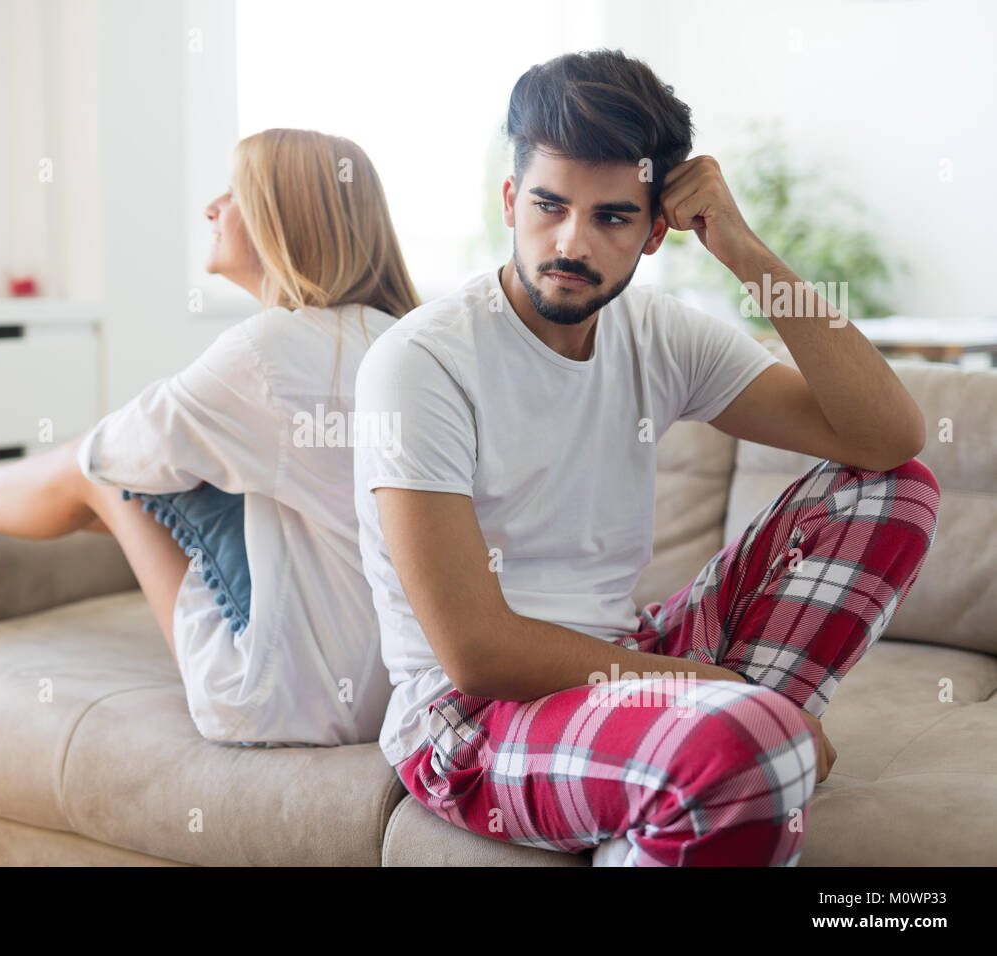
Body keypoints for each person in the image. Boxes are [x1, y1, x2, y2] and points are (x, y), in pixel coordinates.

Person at [352, 49, 941, 865]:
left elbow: (888, 439)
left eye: (611, 217)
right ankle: (736, 755)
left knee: (895, 494)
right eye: (548, 206)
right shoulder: (422, 362)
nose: (571, 241)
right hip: (470, 721)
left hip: (627, 655)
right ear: (509, 200)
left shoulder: (659, 335)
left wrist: (744, 250)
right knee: (754, 738)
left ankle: (720, 764)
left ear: (657, 230)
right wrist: (727, 693)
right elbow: (476, 652)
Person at [0, 128, 421, 747]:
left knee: (97, 472)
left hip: (291, 702)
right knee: (178, 462)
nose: (213, 207)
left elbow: (109, 456)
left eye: (234, 193)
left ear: (284, 219)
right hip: (397, 694)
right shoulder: (403, 343)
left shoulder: (271, 351)